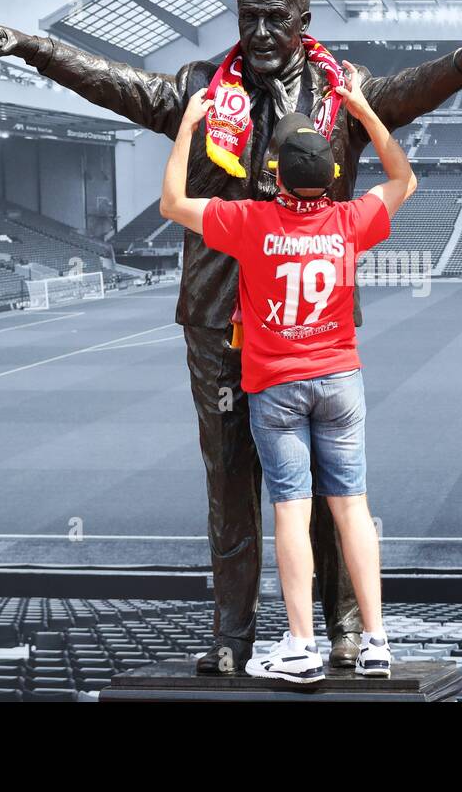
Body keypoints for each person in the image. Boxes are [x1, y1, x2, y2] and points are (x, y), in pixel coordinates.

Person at [0, 0, 462, 674]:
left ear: (303, 24)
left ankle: (344, 629)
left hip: (305, 327)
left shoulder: (340, 89)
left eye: (274, 20)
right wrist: (36, 47)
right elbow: (114, 83)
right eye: (248, 18)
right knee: (228, 480)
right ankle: (232, 636)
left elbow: (407, 93)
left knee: (328, 486)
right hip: (218, 315)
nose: (259, 33)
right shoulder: (203, 87)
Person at [160, 61, 413, 683]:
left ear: (273, 175)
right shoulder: (350, 221)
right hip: (340, 381)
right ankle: (376, 639)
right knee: (352, 508)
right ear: (330, 174)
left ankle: (301, 644)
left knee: (292, 513)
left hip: (274, 387)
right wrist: (360, 107)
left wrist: (188, 127)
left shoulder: (250, 223)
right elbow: (403, 177)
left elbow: (171, 204)